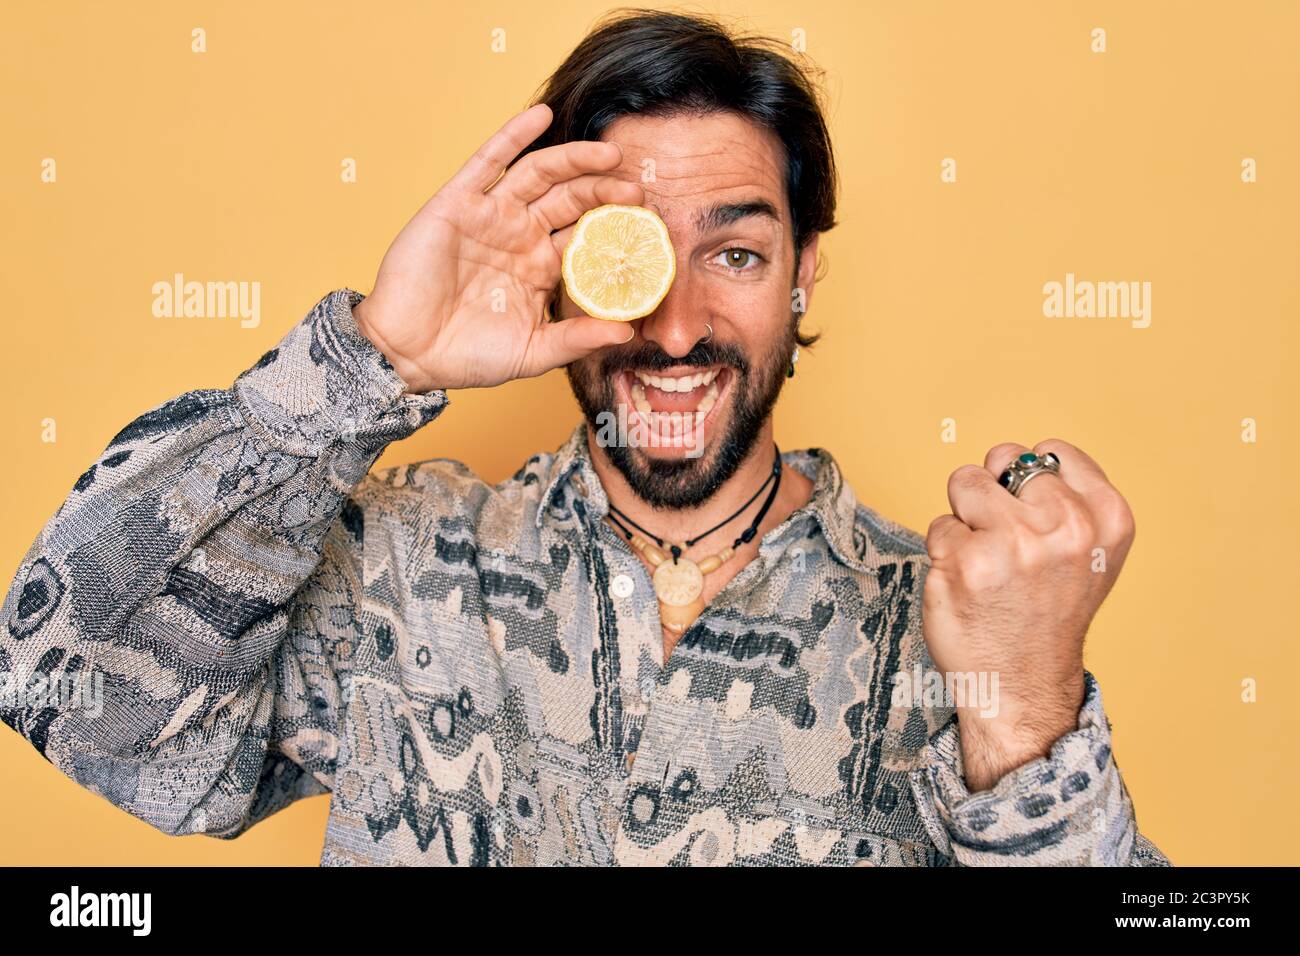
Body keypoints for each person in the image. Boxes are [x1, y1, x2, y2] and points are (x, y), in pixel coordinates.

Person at [0, 10, 1167, 866]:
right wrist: (373, 359)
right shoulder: (397, 572)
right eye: (630, 249)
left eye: (739, 252)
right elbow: (64, 684)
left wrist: (1021, 708)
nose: (672, 326)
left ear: (805, 273)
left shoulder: (952, 636)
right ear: (559, 258)